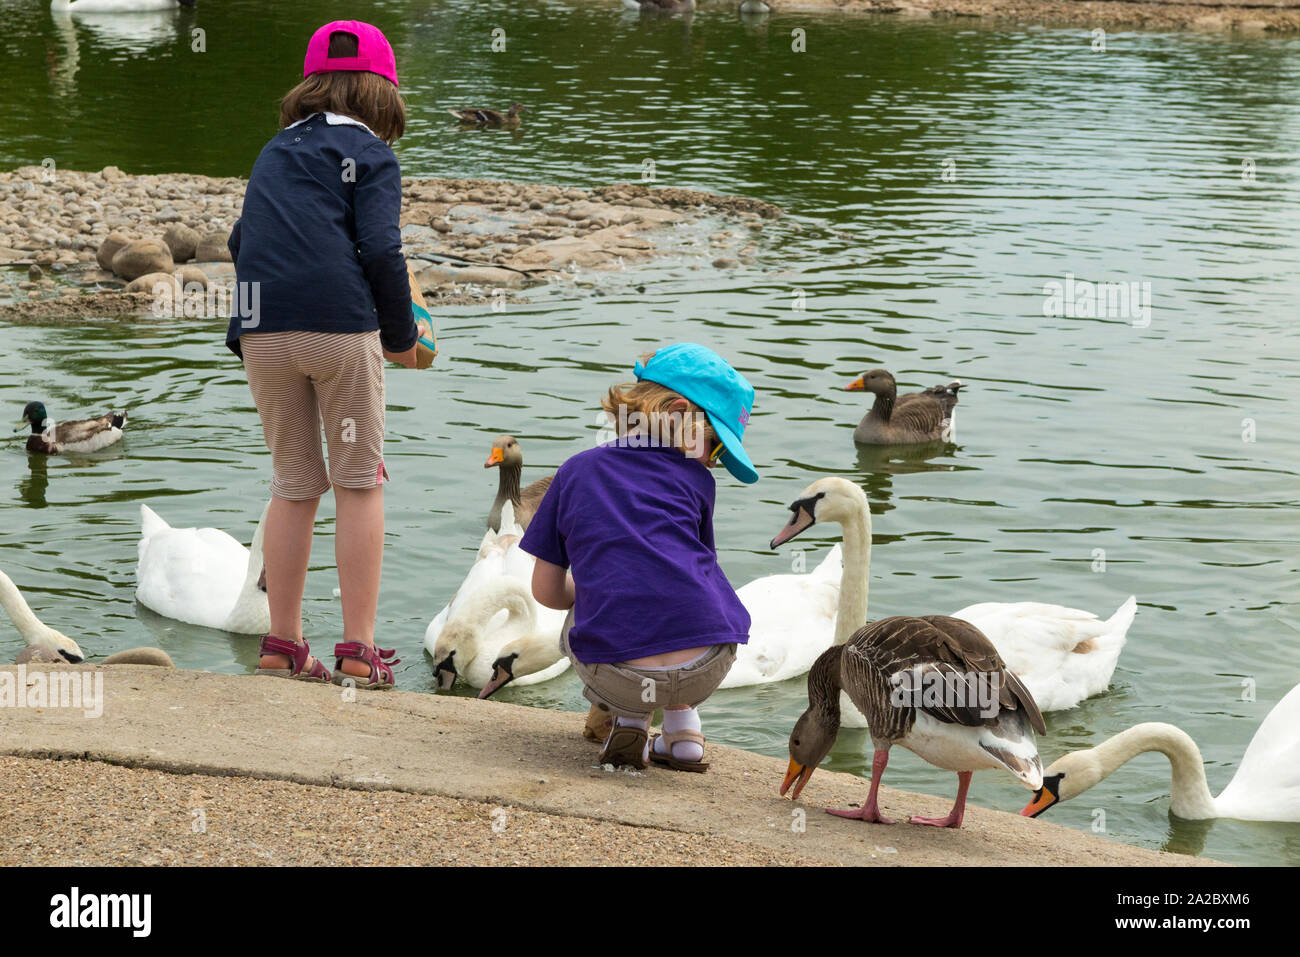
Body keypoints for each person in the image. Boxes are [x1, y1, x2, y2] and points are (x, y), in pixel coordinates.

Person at [226, 20, 417, 689]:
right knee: (359, 479)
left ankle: (282, 642)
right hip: (339, 327)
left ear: (310, 86)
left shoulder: (276, 152)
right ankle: (359, 650)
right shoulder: (372, 157)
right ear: (383, 94)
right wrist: (399, 336)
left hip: (260, 328)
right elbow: (381, 250)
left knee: (293, 482)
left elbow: (239, 238)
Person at [519, 343, 757, 770]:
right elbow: (696, 573)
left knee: (593, 599)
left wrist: (584, 589)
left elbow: (546, 592)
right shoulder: (698, 482)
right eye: (716, 447)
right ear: (680, 413)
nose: (714, 462)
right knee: (686, 591)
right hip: (708, 666)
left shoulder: (575, 471)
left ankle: (628, 717)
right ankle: (684, 733)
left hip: (620, 677)